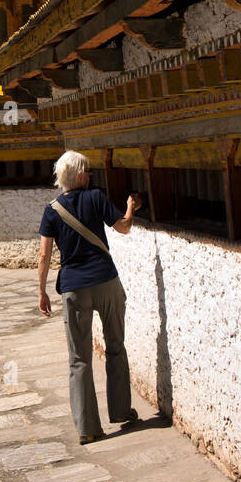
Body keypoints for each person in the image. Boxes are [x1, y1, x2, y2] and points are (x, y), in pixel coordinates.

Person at [37, 150, 142, 444]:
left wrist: (42, 290)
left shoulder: (51, 210)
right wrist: (130, 207)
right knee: (116, 347)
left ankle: (87, 429)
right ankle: (121, 411)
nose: (91, 175)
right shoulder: (96, 198)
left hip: (74, 288)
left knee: (79, 359)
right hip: (106, 281)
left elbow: (44, 254)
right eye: (88, 171)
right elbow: (123, 227)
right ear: (79, 174)